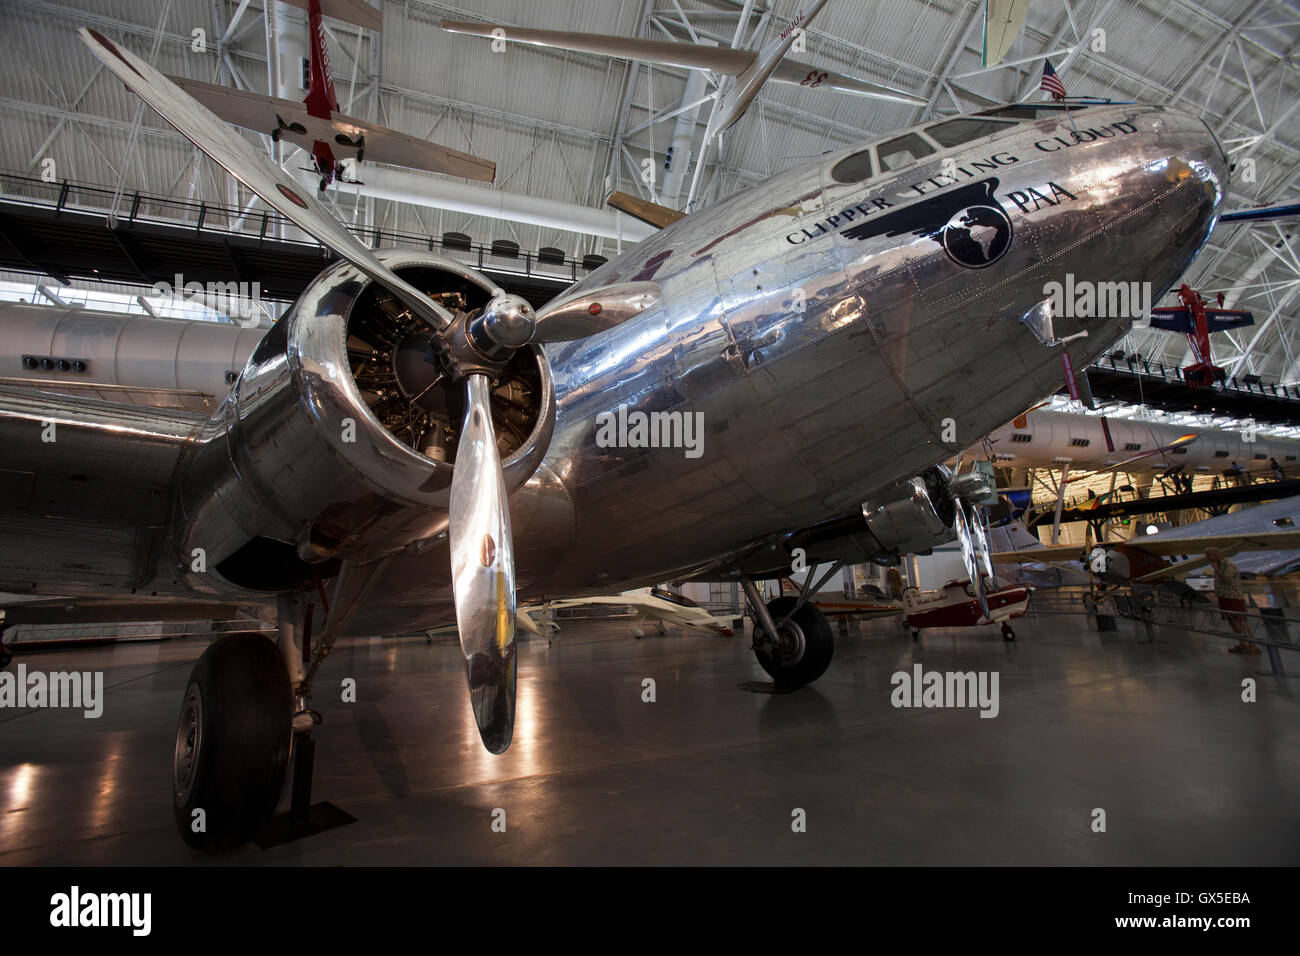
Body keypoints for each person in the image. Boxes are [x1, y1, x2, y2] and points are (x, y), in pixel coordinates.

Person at [1206, 547, 1258, 654]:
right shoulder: (1220, 565)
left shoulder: (1228, 564)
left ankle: (1252, 645)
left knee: (1240, 620)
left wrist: (1215, 568)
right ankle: (1242, 644)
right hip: (1224, 596)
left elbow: (1227, 578)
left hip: (1233, 596)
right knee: (1232, 621)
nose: (1208, 558)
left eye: (1208, 556)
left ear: (1215, 554)